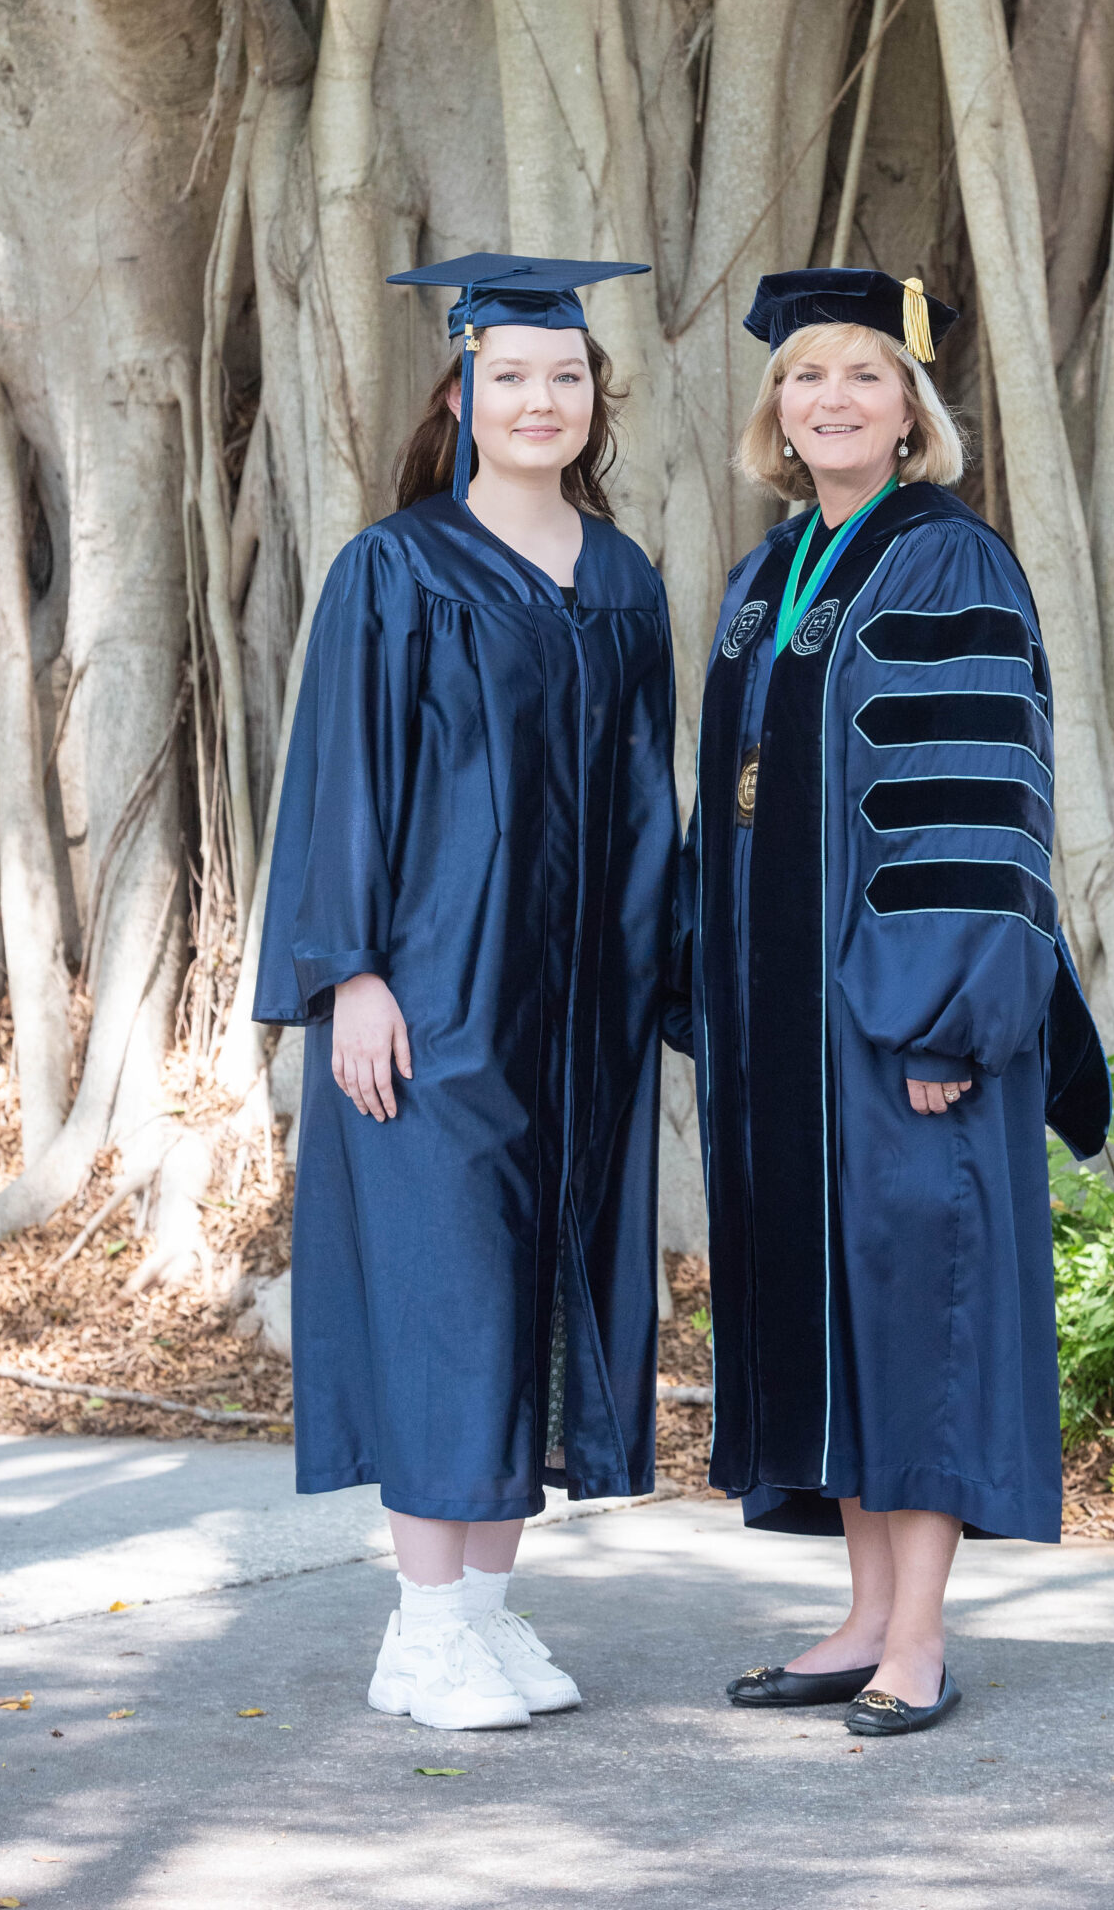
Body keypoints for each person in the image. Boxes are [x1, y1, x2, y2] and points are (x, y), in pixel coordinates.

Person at [666, 266, 1111, 1739]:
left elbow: (976, 809)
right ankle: (858, 1615)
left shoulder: (947, 563)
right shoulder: (764, 575)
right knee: (831, 1318)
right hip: (782, 1038)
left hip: (900, 1031)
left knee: (914, 1312)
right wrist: (701, 985)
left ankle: (916, 1638)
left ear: (913, 410)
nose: (832, 399)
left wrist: (941, 1017)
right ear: (772, 414)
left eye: (864, 374)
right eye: (805, 376)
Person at [254, 254, 680, 1733]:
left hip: (578, 1019)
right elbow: (338, 788)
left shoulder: (621, 580)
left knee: (542, 1296)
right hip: (432, 999)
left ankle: (479, 1621)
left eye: (564, 377)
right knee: (449, 1295)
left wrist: (662, 988)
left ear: (592, 400)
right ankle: (421, 1626)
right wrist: (348, 976)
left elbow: (648, 813)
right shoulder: (398, 568)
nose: (540, 400)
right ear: (460, 397)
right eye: (510, 377)